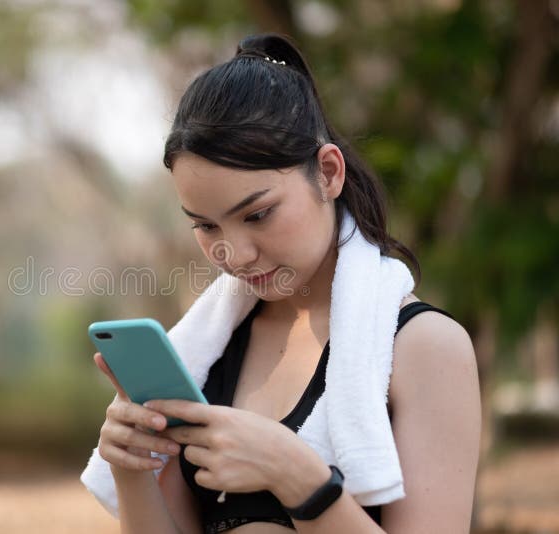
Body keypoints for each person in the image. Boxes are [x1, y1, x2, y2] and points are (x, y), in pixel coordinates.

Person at [91, 34, 481, 534]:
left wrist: (297, 477)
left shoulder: (425, 347)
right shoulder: (205, 352)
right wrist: (131, 470)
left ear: (328, 172)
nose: (234, 254)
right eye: (206, 226)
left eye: (258, 214)